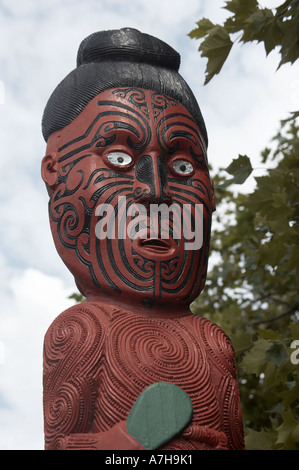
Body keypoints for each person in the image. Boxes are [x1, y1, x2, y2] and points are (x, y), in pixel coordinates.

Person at [41, 28, 245, 450]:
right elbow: (61, 442)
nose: (155, 190)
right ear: (54, 170)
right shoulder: (83, 331)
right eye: (118, 159)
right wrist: (125, 446)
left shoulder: (214, 345)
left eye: (185, 167)